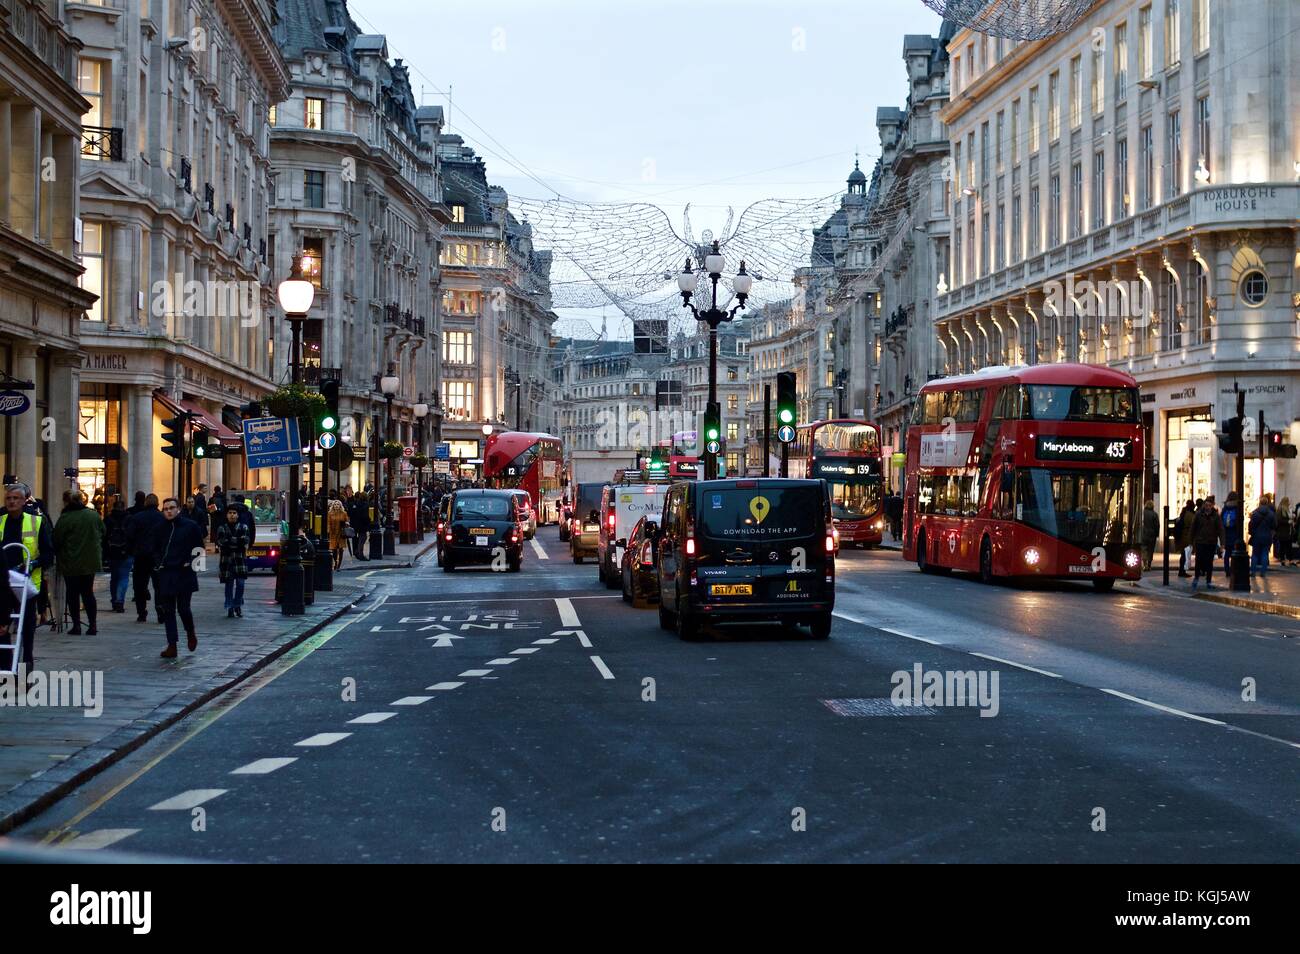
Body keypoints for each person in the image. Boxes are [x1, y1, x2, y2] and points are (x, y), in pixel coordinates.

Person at [0, 483, 54, 677]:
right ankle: (5, 668)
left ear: (24, 501)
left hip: (26, 584)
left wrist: (33, 564)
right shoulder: (0, 520)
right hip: (4, 584)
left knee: (26, 629)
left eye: (15, 498)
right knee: (2, 627)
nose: (12, 501)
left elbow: (49, 554)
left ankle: (26, 667)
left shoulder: (37, 522)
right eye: (8, 498)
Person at [152, 497, 204, 658]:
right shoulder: (159, 528)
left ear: (178, 509)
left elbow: (199, 548)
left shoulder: (190, 526)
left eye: (172, 508)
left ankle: (190, 632)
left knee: (183, 608)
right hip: (167, 573)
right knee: (168, 610)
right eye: (166, 508)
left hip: (184, 573)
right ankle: (172, 644)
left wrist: (193, 565)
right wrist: (158, 563)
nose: (168, 511)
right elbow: (154, 549)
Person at [53, 489, 105, 635]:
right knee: (88, 593)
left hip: (71, 561)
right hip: (90, 561)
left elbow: (57, 539)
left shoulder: (66, 518)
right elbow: (103, 531)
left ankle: (76, 625)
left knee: (73, 593)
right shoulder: (93, 515)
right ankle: (92, 625)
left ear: (66, 501)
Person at [125, 494, 165, 622]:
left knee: (140, 585)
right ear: (158, 504)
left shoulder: (137, 518)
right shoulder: (163, 518)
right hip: (157, 556)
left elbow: (129, 535)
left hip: (141, 556)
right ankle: (160, 608)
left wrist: (133, 549)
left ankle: (141, 612)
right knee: (159, 585)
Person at [214, 505, 249, 618]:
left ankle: (237, 604)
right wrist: (237, 542)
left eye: (234, 513)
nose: (232, 515)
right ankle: (229, 606)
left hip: (239, 559)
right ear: (227, 515)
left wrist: (230, 541)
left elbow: (245, 540)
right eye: (230, 513)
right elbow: (221, 542)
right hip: (227, 560)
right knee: (228, 585)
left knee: (240, 584)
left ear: (238, 515)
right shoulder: (222, 527)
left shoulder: (243, 527)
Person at [103, 497, 132, 612]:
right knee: (124, 577)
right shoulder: (129, 519)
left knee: (114, 577)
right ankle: (120, 600)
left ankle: (115, 599)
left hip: (112, 552)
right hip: (126, 551)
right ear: (124, 507)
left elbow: (103, 536)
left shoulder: (108, 519)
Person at [1190, 496, 1224, 590]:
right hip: (1200, 541)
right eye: (1206, 505)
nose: (1207, 507)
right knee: (1198, 561)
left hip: (1211, 542)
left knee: (1209, 562)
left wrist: (1222, 544)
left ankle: (1208, 581)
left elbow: (1220, 530)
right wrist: (1191, 542)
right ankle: (1196, 578)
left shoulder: (1215, 516)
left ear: (1212, 506)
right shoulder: (1198, 514)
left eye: (1209, 505)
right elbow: (1193, 528)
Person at [1248, 493, 1276, 576]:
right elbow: (1274, 525)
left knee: (1255, 554)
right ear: (1267, 503)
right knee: (1264, 553)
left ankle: (1253, 571)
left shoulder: (1255, 513)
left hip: (1257, 536)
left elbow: (1251, 525)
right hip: (1267, 536)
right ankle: (1263, 572)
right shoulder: (1271, 514)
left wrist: (1252, 533)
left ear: (1259, 503)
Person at [1220, 491, 1243, 579]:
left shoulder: (1225, 508)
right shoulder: (1237, 508)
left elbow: (1221, 520)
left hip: (1226, 533)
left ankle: (1227, 570)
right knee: (1234, 553)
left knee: (1227, 554)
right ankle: (1234, 569)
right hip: (1234, 533)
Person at [348, 491, 371, 560]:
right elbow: (365, 516)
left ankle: (356, 551)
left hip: (355, 524)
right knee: (363, 538)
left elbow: (350, 513)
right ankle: (359, 553)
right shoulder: (365, 504)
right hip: (362, 524)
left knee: (356, 538)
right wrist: (368, 522)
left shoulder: (355, 503)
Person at [1176, 499, 1197, 577]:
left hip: (1183, 537)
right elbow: (1193, 525)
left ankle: (1182, 571)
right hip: (1187, 537)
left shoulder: (1184, 513)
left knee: (1183, 555)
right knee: (1185, 555)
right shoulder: (1190, 514)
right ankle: (1182, 571)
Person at [327, 498, 349, 571]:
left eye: (338, 505)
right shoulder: (330, 513)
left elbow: (347, 521)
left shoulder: (344, 513)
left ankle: (338, 565)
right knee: (334, 550)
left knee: (341, 549)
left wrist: (346, 524)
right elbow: (328, 523)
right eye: (335, 504)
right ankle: (335, 562)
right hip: (333, 533)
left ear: (340, 506)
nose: (336, 506)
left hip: (341, 533)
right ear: (333, 506)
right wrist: (328, 531)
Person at [1140, 499, 1159, 571]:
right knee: (1151, 550)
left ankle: (1144, 565)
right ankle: (1149, 565)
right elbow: (1157, 525)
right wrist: (1157, 534)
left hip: (1143, 533)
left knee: (1144, 549)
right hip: (1152, 534)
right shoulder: (1155, 514)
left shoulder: (1142, 513)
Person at [1274, 497, 1293, 567]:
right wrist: (1288, 522)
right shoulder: (1280, 509)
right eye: (1288, 501)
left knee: (1288, 546)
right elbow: (1279, 520)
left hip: (1288, 531)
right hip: (1283, 531)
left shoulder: (1287, 509)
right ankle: (1283, 560)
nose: (1289, 502)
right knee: (1283, 546)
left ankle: (1288, 560)